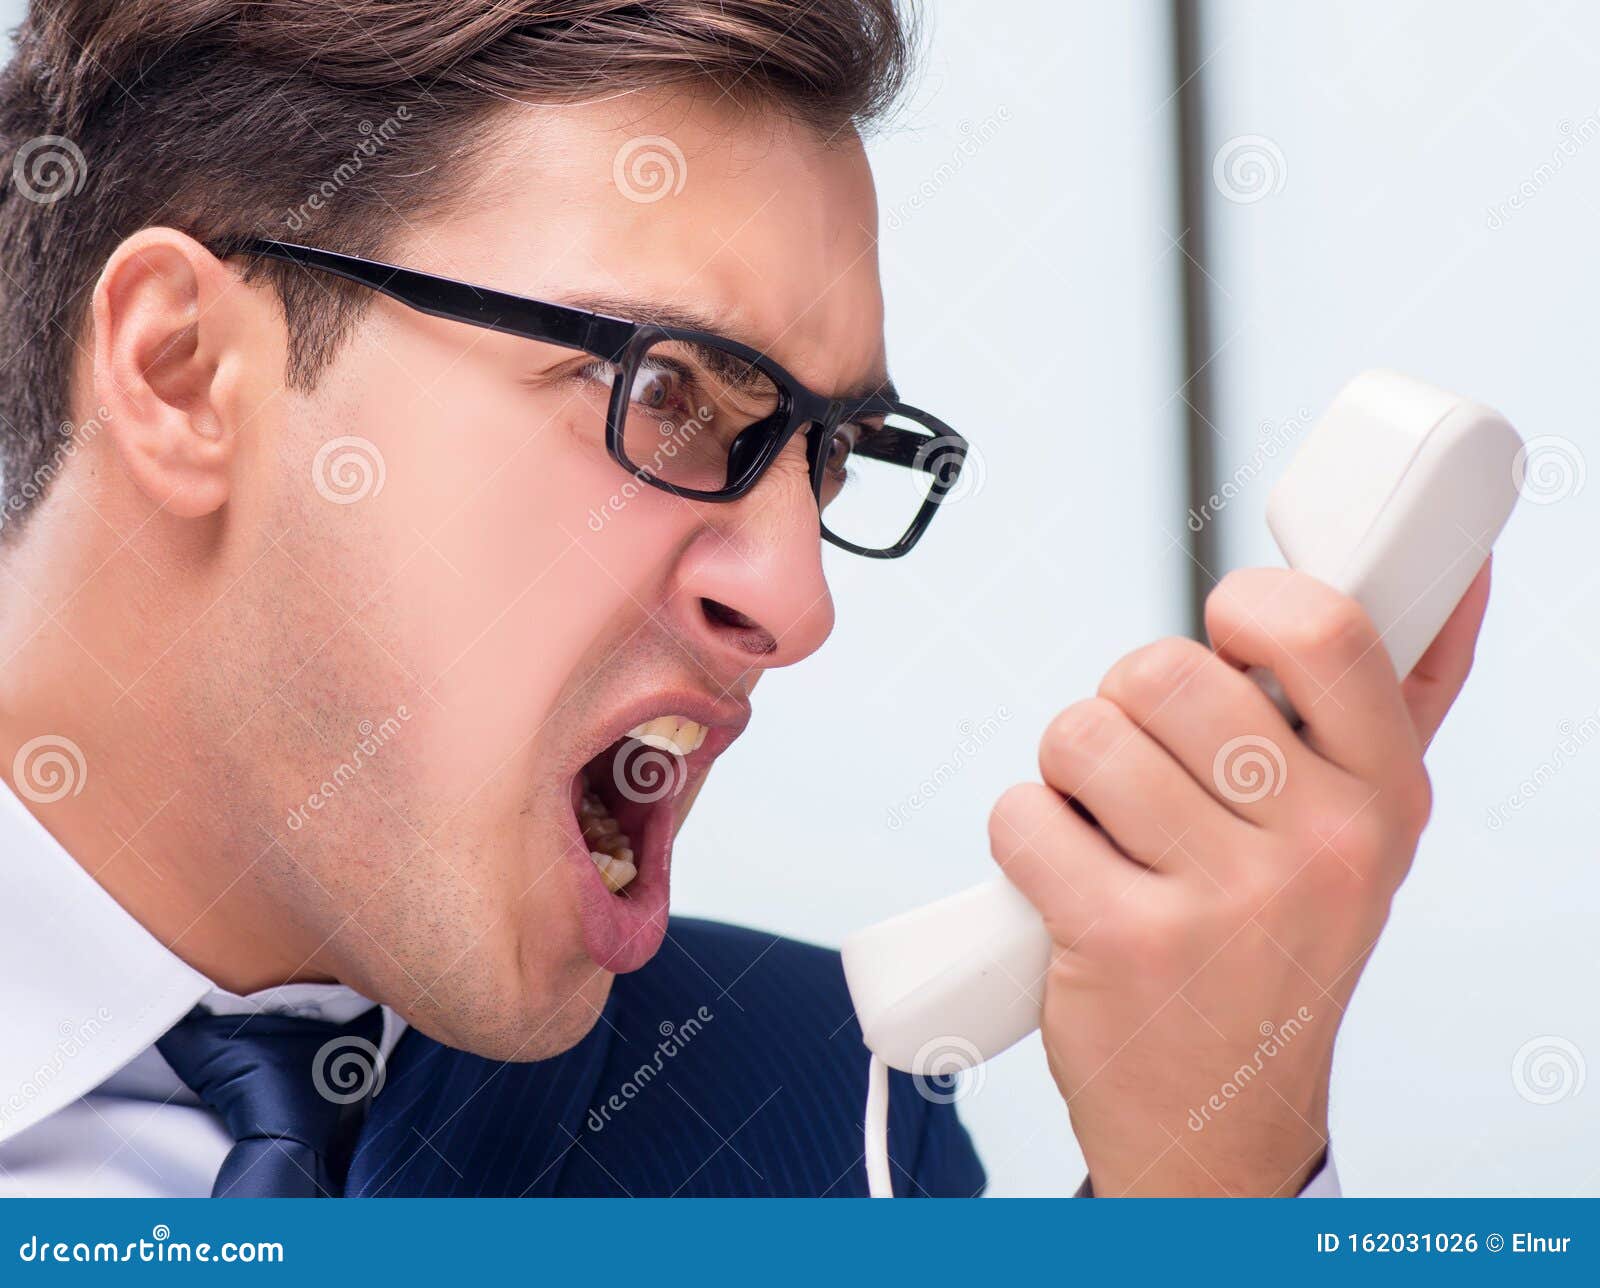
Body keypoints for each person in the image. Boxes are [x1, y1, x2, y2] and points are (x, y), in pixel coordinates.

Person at [0, 0, 1489, 1197]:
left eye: (832, 457)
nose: (799, 601)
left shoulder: (823, 1128)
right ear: (181, 373)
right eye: (670, 396)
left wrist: (1210, 1182)